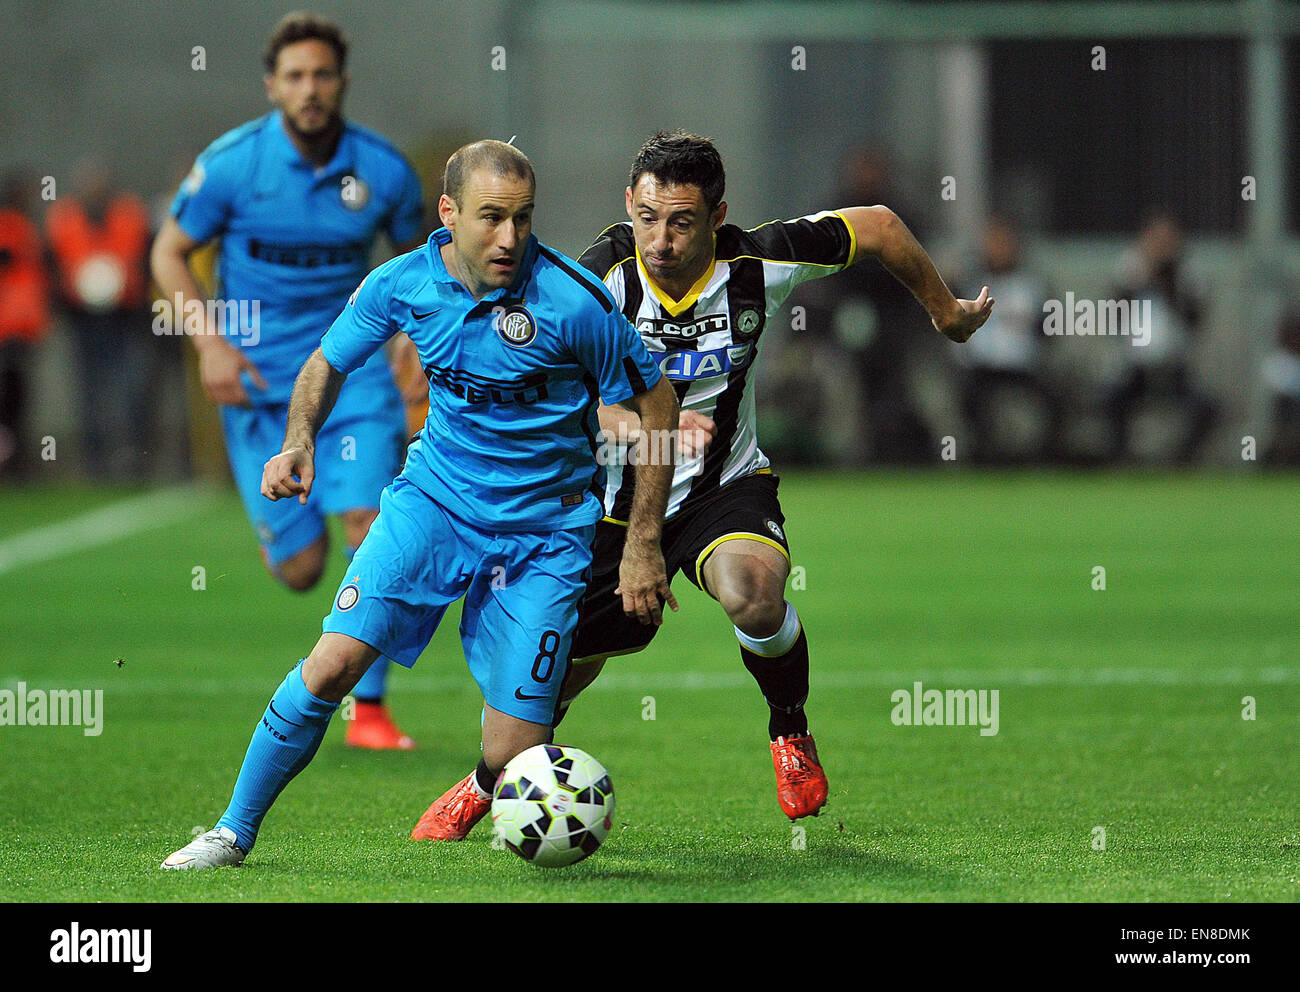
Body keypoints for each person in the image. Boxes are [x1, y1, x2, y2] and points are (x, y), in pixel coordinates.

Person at [160, 139, 679, 869]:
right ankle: (230, 832)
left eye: (523, 219)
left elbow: (657, 406)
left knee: (509, 754)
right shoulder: (400, 284)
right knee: (331, 664)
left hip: (546, 537)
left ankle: (501, 783)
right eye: (491, 217)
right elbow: (327, 361)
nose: (509, 238)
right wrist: (300, 440)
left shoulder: (576, 302)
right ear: (449, 213)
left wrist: (643, 540)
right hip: (431, 508)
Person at [526, 130, 992, 823]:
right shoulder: (594, 281)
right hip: (613, 503)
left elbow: (884, 228)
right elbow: (558, 396)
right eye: (646, 218)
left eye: (682, 221)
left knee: (755, 596)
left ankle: (789, 728)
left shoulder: (759, 260)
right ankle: (499, 781)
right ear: (629, 205)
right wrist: (637, 443)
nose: (660, 240)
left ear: (716, 217)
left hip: (722, 486)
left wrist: (944, 309)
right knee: (556, 674)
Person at [150, 12, 426, 748]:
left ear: (341, 82)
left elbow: (424, 263)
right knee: (302, 569)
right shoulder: (234, 164)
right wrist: (208, 344)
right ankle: (303, 570)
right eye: (295, 76)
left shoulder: (383, 172)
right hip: (258, 387)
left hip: (351, 374)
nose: (310, 89)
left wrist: (412, 346)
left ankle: (367, 707)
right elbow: (169, 252)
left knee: (368, 524)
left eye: (323, 74)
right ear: (273, 86)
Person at [45, 158, 152, 480]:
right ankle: (96, 462)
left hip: (126, 316)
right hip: (83, 319)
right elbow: (51, 264)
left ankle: (134, 458)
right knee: (89, 392)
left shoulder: (129, 212)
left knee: (131, 387)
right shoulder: (63, 217)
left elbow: (147, 259)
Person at [0, 169, 51, 478]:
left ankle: (16, 462)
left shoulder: (25, 226)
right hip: (8, 326)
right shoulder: (9, 224)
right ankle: (9, 462)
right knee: (7, 399)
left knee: (18, 399)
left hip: (24, 327)